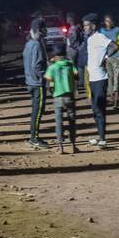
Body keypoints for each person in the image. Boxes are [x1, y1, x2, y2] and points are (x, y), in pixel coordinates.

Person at [83, 14, 116, 147]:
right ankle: (100, 136)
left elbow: (115, 46)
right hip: (92, 78)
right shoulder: (90, 39)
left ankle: (103, 139)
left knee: (100, 109)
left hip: (100, 79)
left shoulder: (99, 37)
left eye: (86, 25)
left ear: (93, 26)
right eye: (84, 25)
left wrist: (106, 57)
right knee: (95, 109)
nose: (84, 28)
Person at [45, 42, 79, 153]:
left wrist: (52, 90)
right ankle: (73, 145)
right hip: (69, 96)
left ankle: (60, 147)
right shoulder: (70, 64)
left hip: (58, 97)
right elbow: (76, 76)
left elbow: (49, 80)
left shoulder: (52, 67)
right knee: (72, 121)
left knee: (59, 122)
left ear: (54, 54)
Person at [23, 18, 49, 149]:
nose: (46, 31)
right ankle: (34, 138)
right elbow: (37, 66)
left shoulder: (29, 44)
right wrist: (48, 77)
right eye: (45, 29)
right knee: (37, 112)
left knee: (35, 111)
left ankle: (34, 136)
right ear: (39, 30)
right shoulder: (37, 45)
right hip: (37, 84)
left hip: (30, 82)